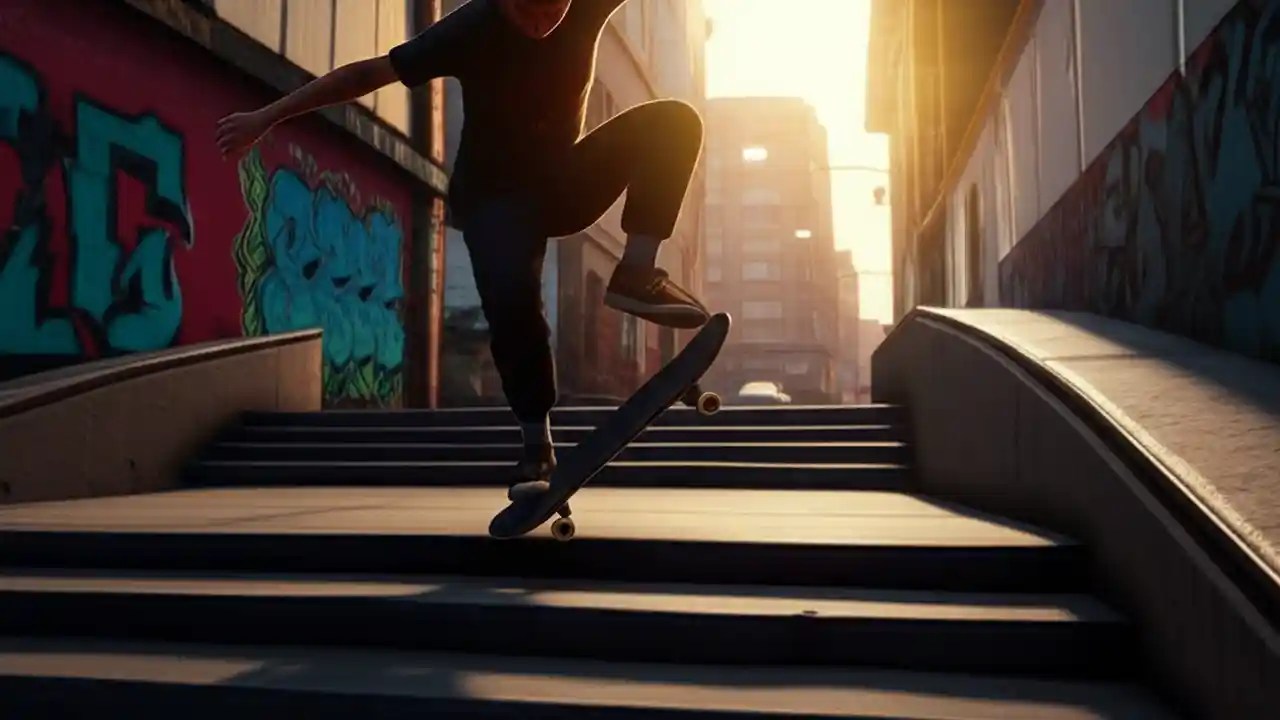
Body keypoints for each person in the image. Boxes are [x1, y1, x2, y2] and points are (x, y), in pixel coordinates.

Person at [216, 0, 709, 497]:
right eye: (528, 13)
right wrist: (268, 116)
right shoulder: (469, 28)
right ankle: (536, 443)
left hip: (562, 187)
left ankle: (635, 272)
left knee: (676, 122)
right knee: (512, 298)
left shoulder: (587, 6)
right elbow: (365, 75)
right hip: (492, 200)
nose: (542, 23)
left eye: (553, 11)